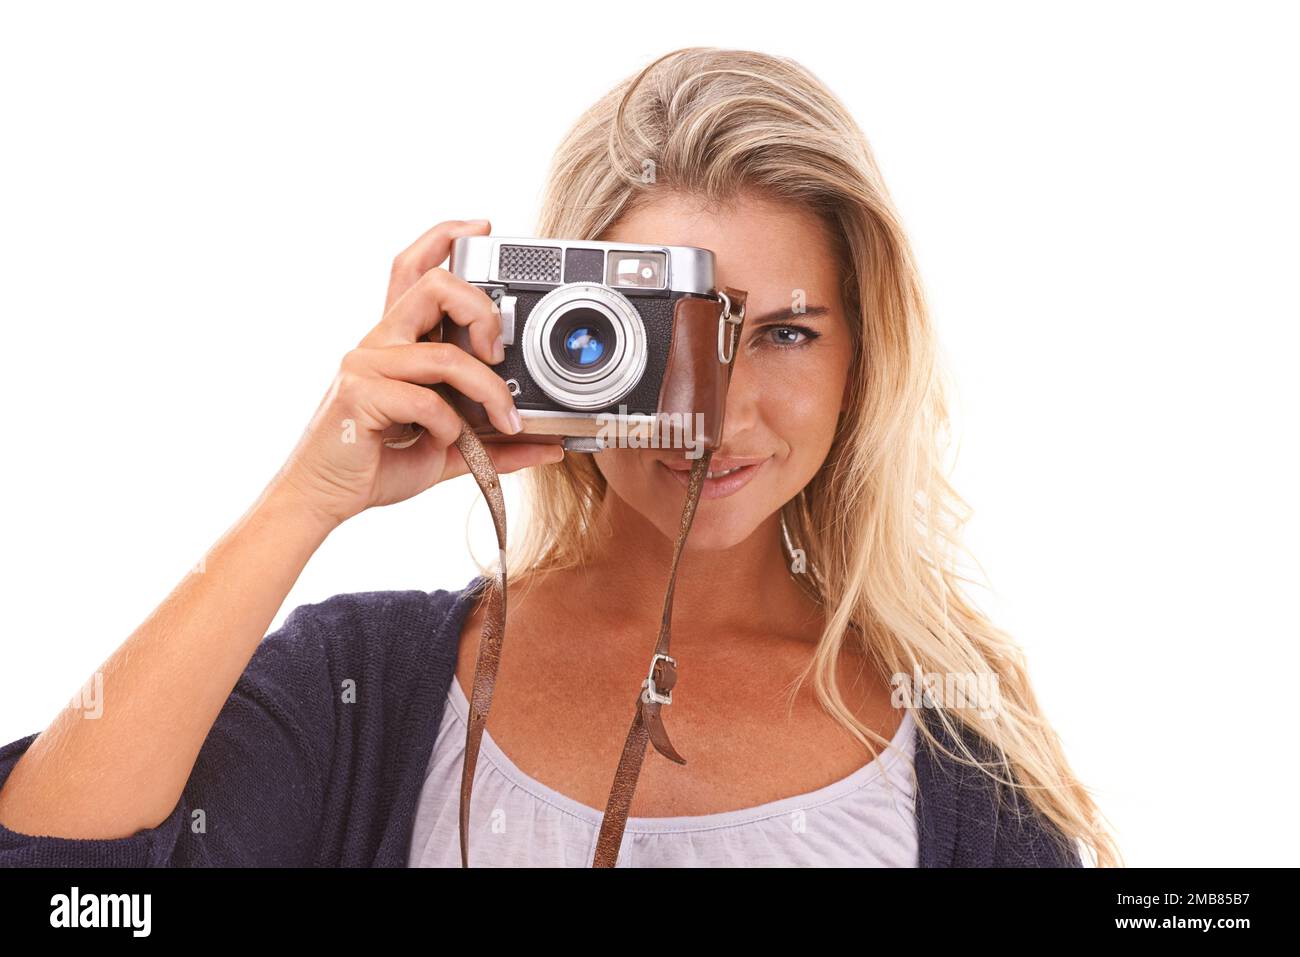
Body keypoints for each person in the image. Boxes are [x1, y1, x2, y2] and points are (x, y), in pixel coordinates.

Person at [0, 47, 1119, 868]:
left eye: (783, 333)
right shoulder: (374, 686)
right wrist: (307, 498)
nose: (718, 417)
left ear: (862, 359)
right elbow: (59, 878)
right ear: (556, 329)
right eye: (662, 338)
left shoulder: (958, 756)